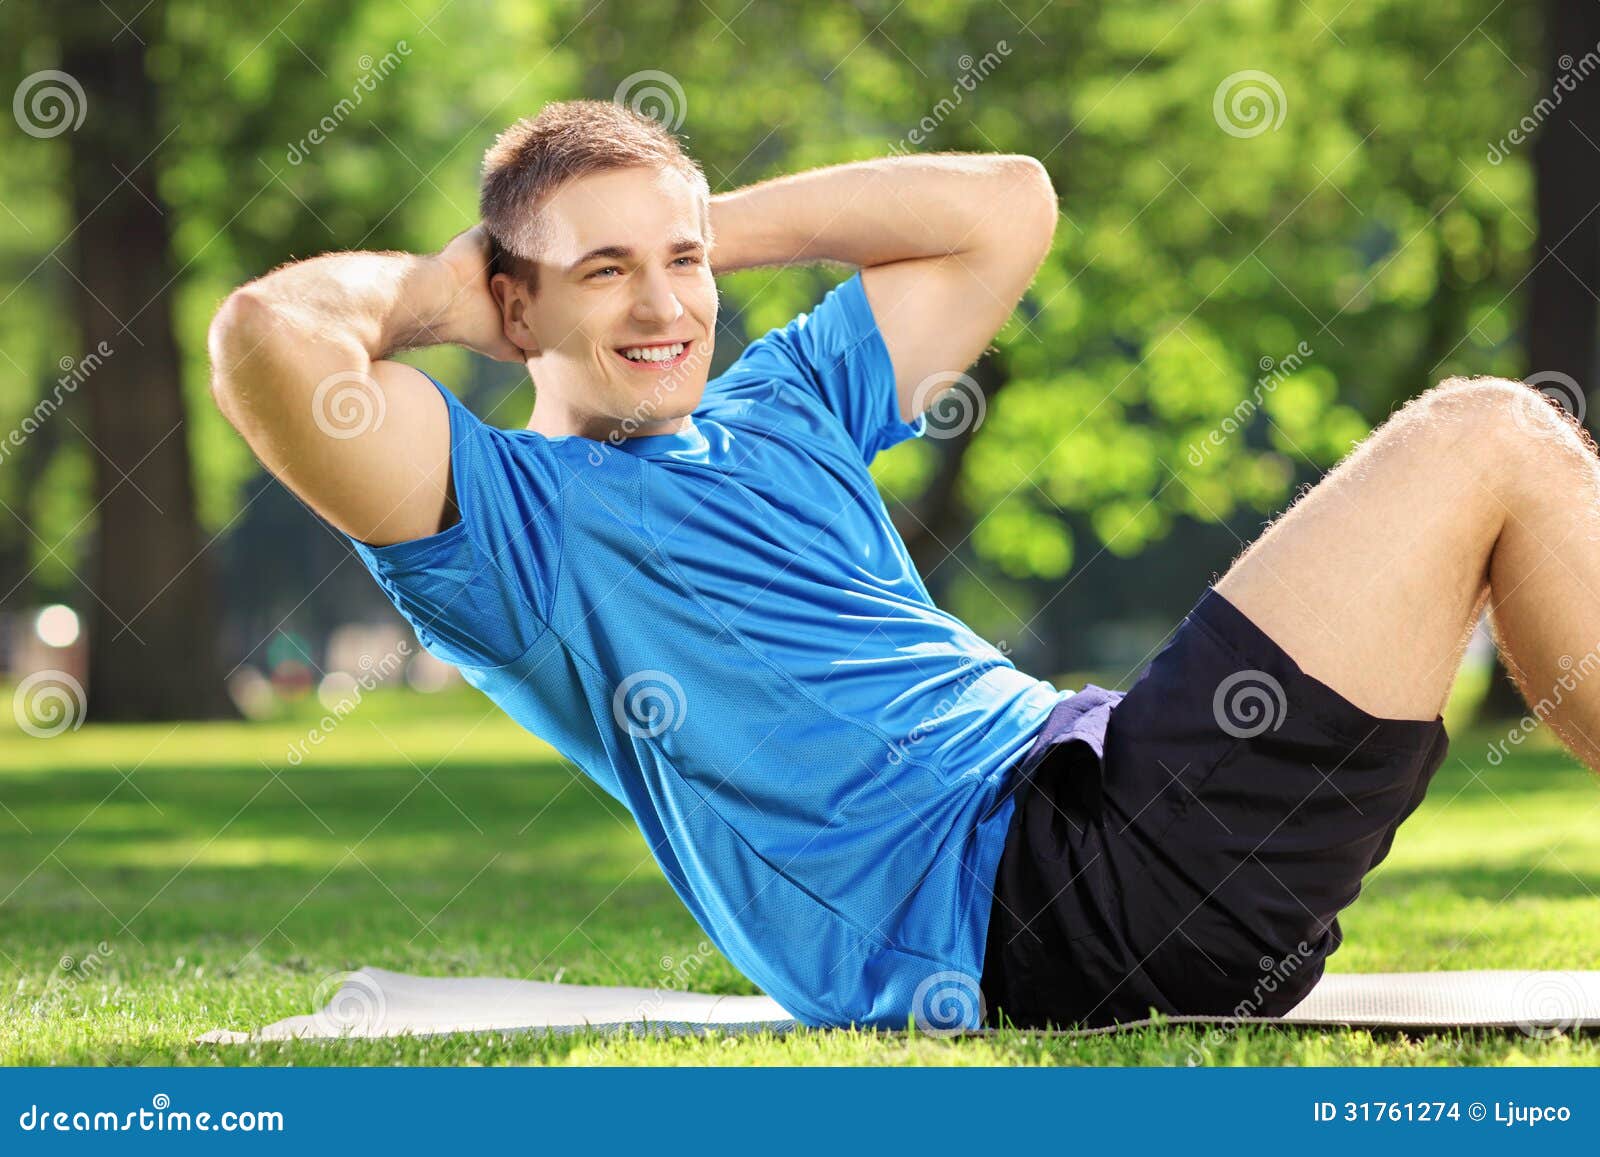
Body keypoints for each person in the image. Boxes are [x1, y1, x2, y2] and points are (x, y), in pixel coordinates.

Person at [207, 100, 1599, 1033]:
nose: (662, 305)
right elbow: (269, 343)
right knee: (1487, 436)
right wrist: (454, 290)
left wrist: (688, 223)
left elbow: (1007, 204)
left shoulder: (785, 405)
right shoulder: (511, 523)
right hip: (1036, 899)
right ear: (520, 306)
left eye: (681, 266)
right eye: (603, 272)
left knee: (1503, 461)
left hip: (1107, 793)